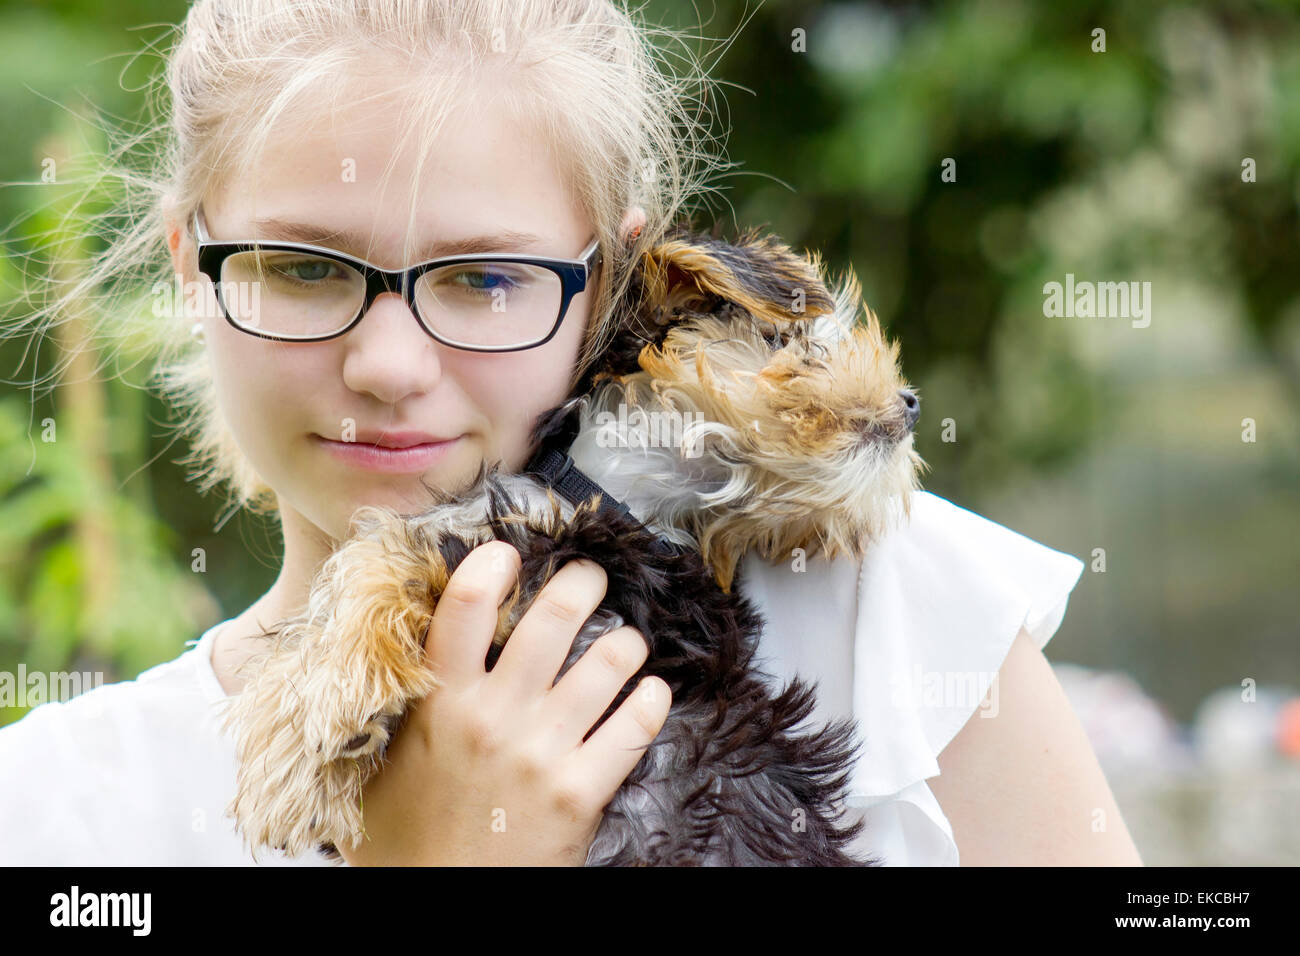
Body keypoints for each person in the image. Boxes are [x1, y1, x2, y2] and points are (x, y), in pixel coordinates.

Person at [0, 0, 1142, 866]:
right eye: (303, 268)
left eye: (486, 277)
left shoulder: (881, 617)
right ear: (189, 266)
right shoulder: (54, 812)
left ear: (611, 283)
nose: (388, 366)